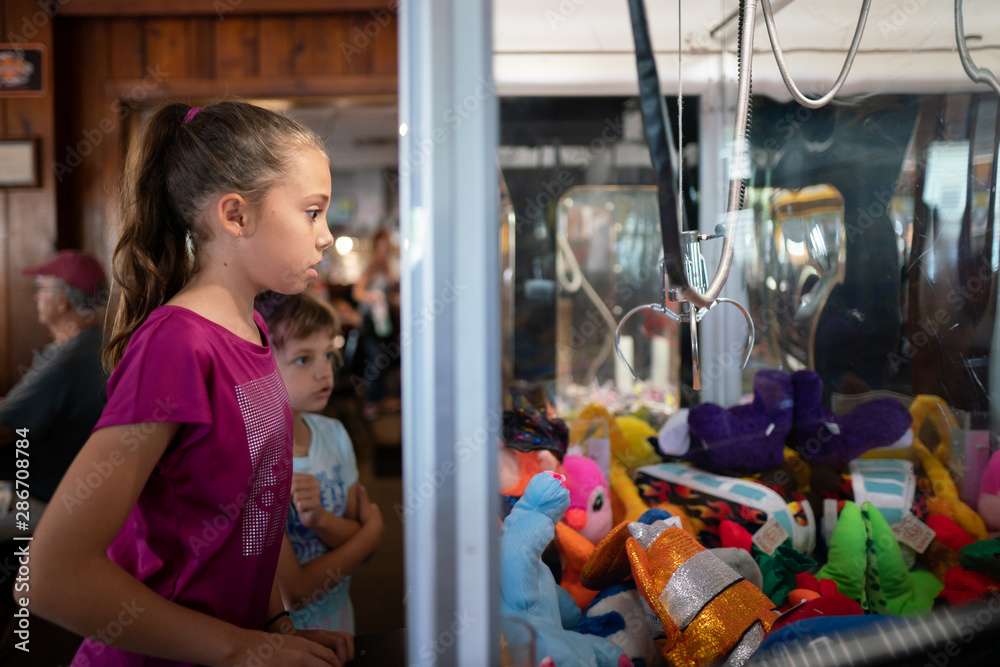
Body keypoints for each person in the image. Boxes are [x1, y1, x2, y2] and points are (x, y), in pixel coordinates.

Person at [29, 101, 353, 666]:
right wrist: (241, 648)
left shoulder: (253, 329)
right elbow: (49, 576)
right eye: (312, 212)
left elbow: (249, 516)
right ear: (236, 216)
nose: (325, 236)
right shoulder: (177, 346)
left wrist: (273, 626)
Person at [254, 290, 383, 633]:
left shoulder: (334, 434)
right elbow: (294, 593)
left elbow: (352, 537)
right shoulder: (257, 456)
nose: (325, 372)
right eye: (303, 359)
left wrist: (321, 520)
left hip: (341, 620)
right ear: (261, 363)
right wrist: (371, 534)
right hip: (290, 639)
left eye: (328, 354)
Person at [0, 250, 109, 540]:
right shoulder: (96, 344)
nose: (35, 298)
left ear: (61, 301)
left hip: (38, 504)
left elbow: (4, 428)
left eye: (40, 290)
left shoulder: (67, 360)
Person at [351, 228, 400, 420]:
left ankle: (381, 397)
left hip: (385, 319)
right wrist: (373, 297)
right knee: (374, 359)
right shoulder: (371, 267)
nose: (384, 249)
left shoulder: (388, 267)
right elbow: (357, 292)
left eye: (386, 245)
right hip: (370, 320)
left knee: (384, 357)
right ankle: (369, 401)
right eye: (381, 245)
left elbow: (390, 295)